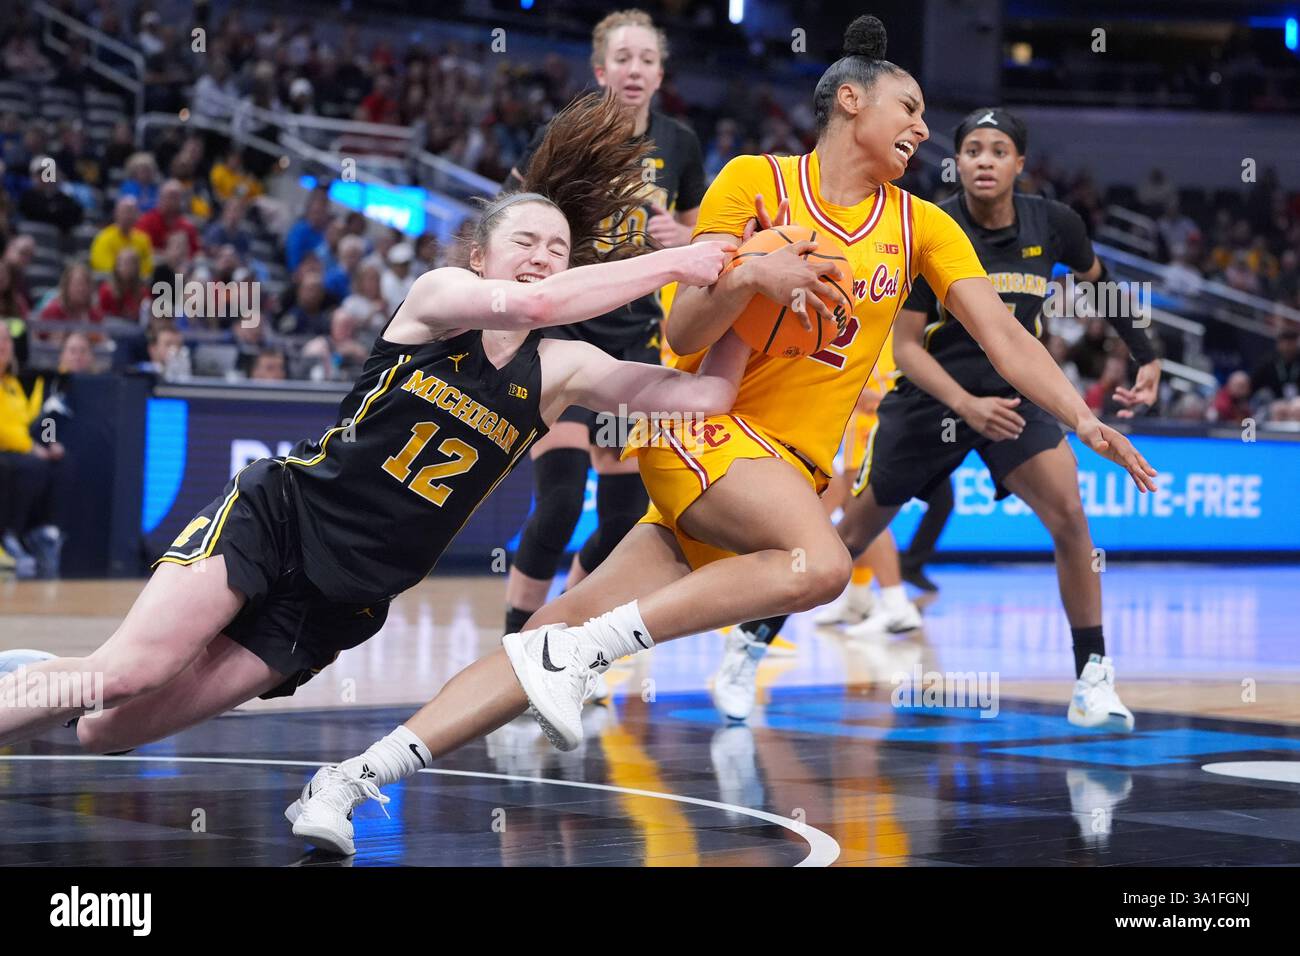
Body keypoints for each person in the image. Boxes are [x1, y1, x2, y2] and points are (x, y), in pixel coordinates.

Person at [289, 17, 1156, 856]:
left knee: (543, 635)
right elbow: (693, 325)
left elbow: (1006, 338)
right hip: (705, 424)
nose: (924, 128)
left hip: (773, 478)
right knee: (819, 567)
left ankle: (352, 777)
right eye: (912, 108)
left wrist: (1082, 419)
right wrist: (757, 269)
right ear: (851, 101)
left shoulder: (923, 225)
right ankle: (582, 655)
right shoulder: (755, 182)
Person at [0, 94, 742, 819]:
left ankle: (33, 679)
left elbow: (707, 398)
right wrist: (678, 262)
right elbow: (534, 306)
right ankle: (43, 683)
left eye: (559, 250)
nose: (544, 260)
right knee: (130, 670)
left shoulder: (562, 368)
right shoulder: (439, 295)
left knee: (107, 731)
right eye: (527, 243)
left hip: (344, 599)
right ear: (481, 253)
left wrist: (755, 287)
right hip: (284, 517)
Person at [719, 106, 1162, 728]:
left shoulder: (1054, 224)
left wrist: (1145, 352)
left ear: (1020, 163)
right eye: (973, 149)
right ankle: (748, 645)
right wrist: (965, 405)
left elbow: (1102, 283)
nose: (985, 160)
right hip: (932, 399)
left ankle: (1093, 677)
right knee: (847, 539)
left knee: (1070, 517)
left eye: (998, 150)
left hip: (1016, 398)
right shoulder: (929, 226)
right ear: (958, 162)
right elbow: (903, 348)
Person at [502, 9, 707, 668]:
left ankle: (556, 635)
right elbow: (513, 216)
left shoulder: (680, 144)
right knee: (560, 503)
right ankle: (514, 647)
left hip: (632, 349)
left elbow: (703, 237)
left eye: (647, 59)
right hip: (563, 337)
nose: (635, 69)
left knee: (622, 518)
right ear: (600, 70)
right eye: (623, 58)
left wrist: (684, 237)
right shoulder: (566, 135)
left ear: (659, 72)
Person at [0, 321, 64, 579]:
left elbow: (35, 419)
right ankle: (7, 535)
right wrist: (31, 448)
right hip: (8, 451)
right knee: (25, 465)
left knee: (59, 464)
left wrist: (48, 441)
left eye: (6, 340)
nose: (4, 345)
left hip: (14, 451)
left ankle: (41, 533)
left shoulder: (13, 384)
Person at [90, 197, 155, 276]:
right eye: (125, 211)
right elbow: (103, 265)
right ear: (116, 213)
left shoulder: (143, 239)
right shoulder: (103, 238)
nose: (128, 215)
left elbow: (148, 266)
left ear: (137, 215)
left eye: (131, 212)